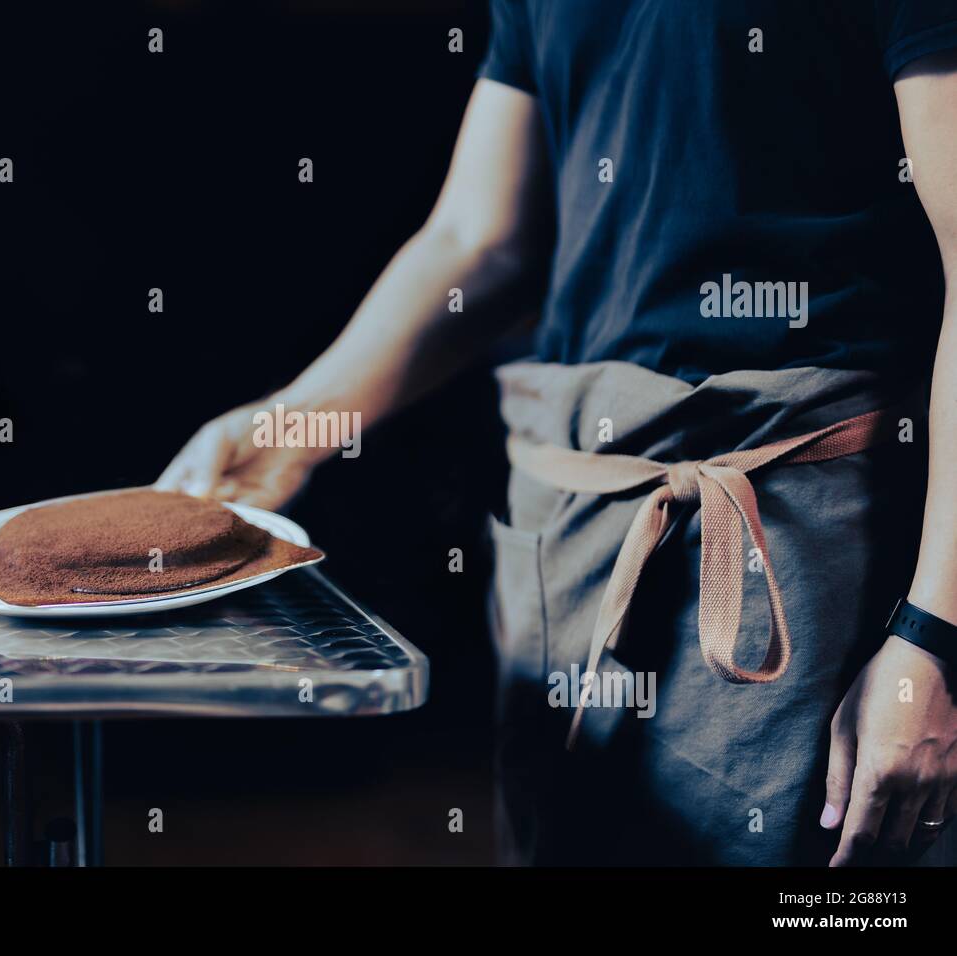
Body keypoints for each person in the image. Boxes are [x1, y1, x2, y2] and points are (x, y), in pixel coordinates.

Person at [158, 1, 957, 866]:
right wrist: (288, 430)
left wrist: (936, 640)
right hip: (575, 523)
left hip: (800, 535)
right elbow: (479, 240)